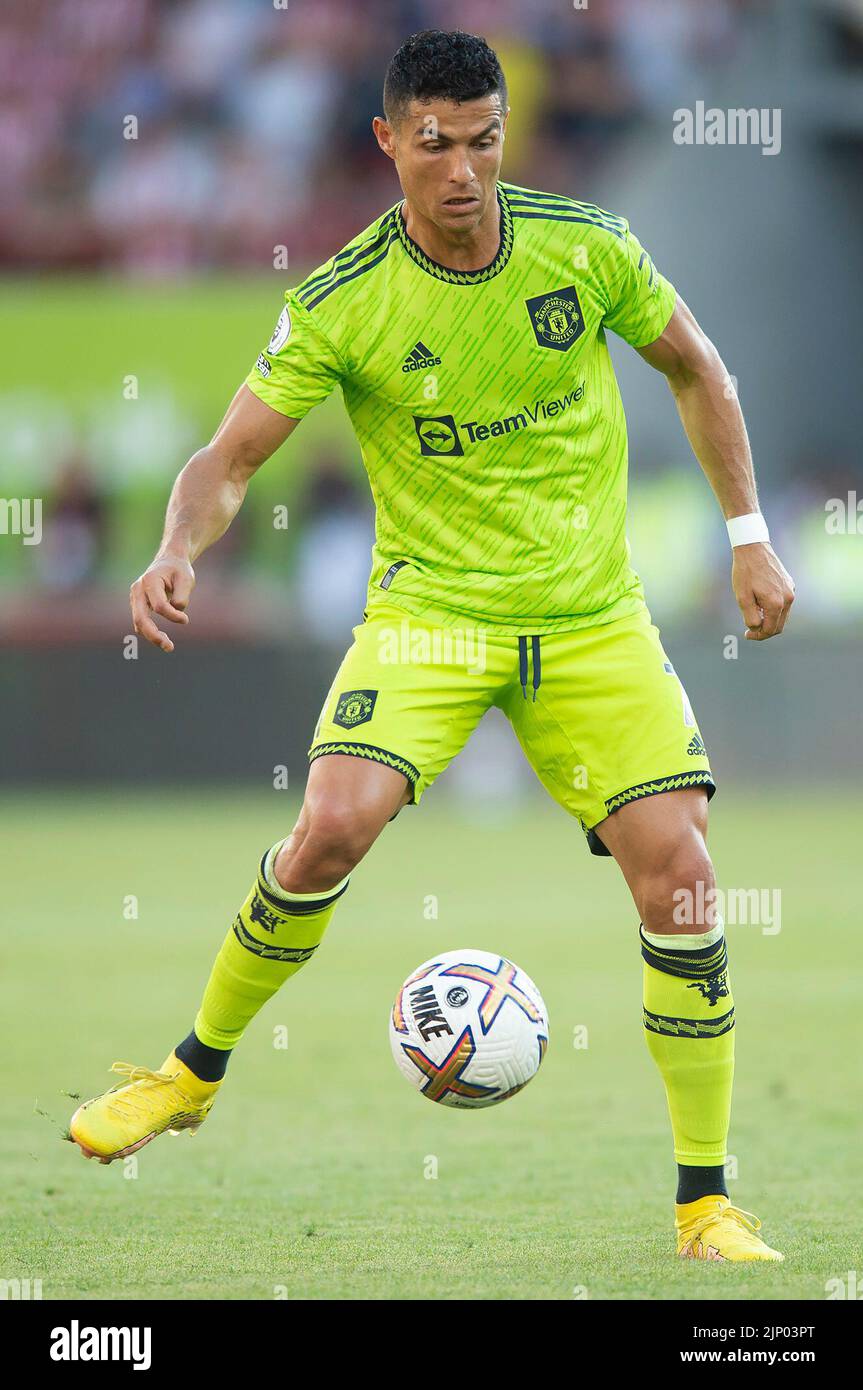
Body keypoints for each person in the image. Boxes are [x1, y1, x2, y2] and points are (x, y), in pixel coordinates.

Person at [71, 30, 795, 1263]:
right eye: (434, 144)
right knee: (331, 827)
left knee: (679, 876)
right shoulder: (345, 299)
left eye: (483, 140)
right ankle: (190, 1075)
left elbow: (698, 368)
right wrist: (177, 547)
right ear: (387, 142)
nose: (462, 171)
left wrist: (747, 532)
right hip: (429, 617)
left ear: (503, 134)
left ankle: (703, 1203)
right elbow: (228, 457)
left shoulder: (585, 244)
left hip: (589, 615)